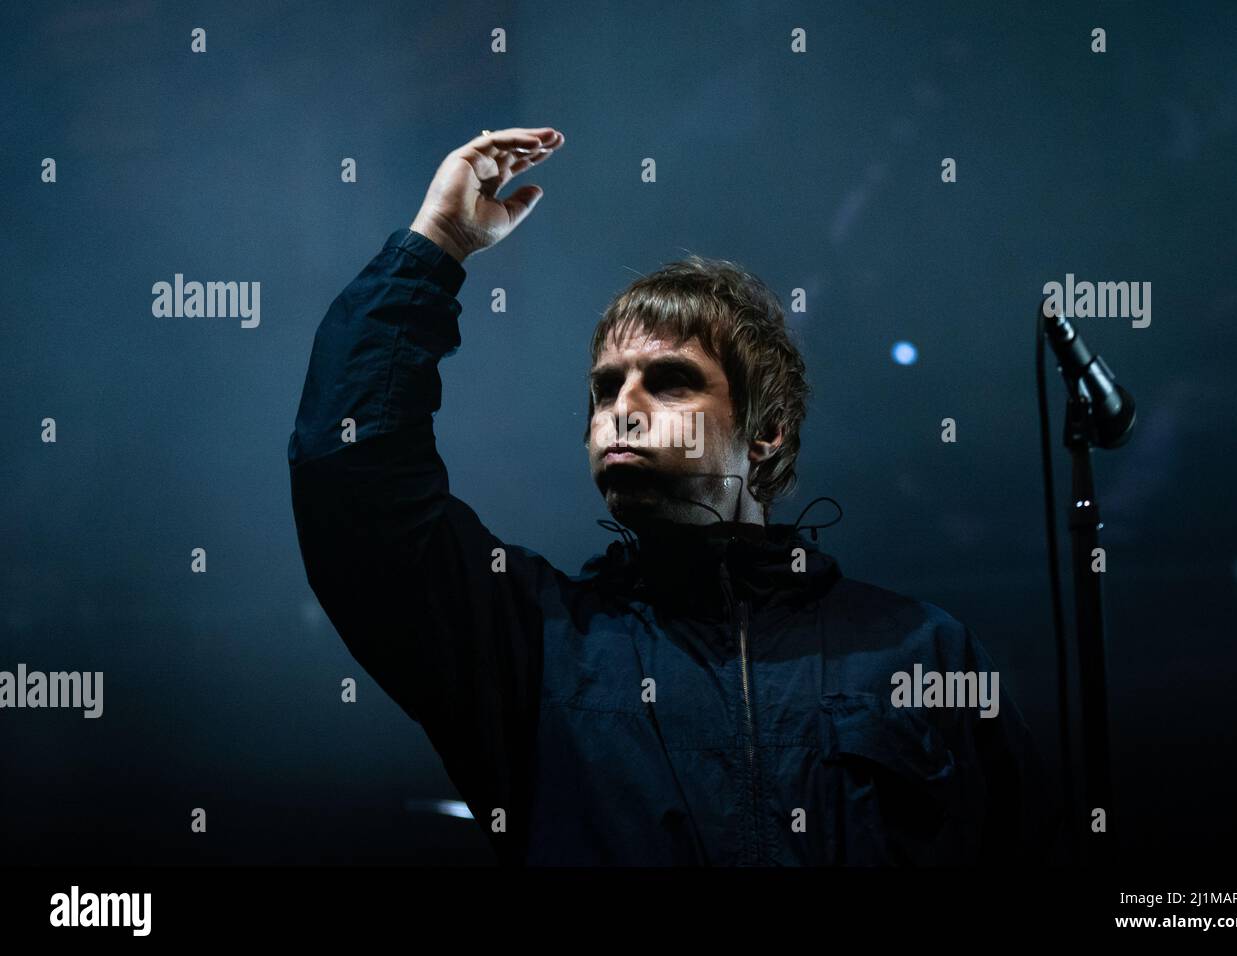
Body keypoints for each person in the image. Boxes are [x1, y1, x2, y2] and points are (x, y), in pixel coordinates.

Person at [288, 126, 1066, 866]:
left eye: (669, 381)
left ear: (765, 432)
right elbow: (351, 473)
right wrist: (438, 246)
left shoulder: (920, 651)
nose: (621, 407)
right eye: (604, 389)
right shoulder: (531, 643)